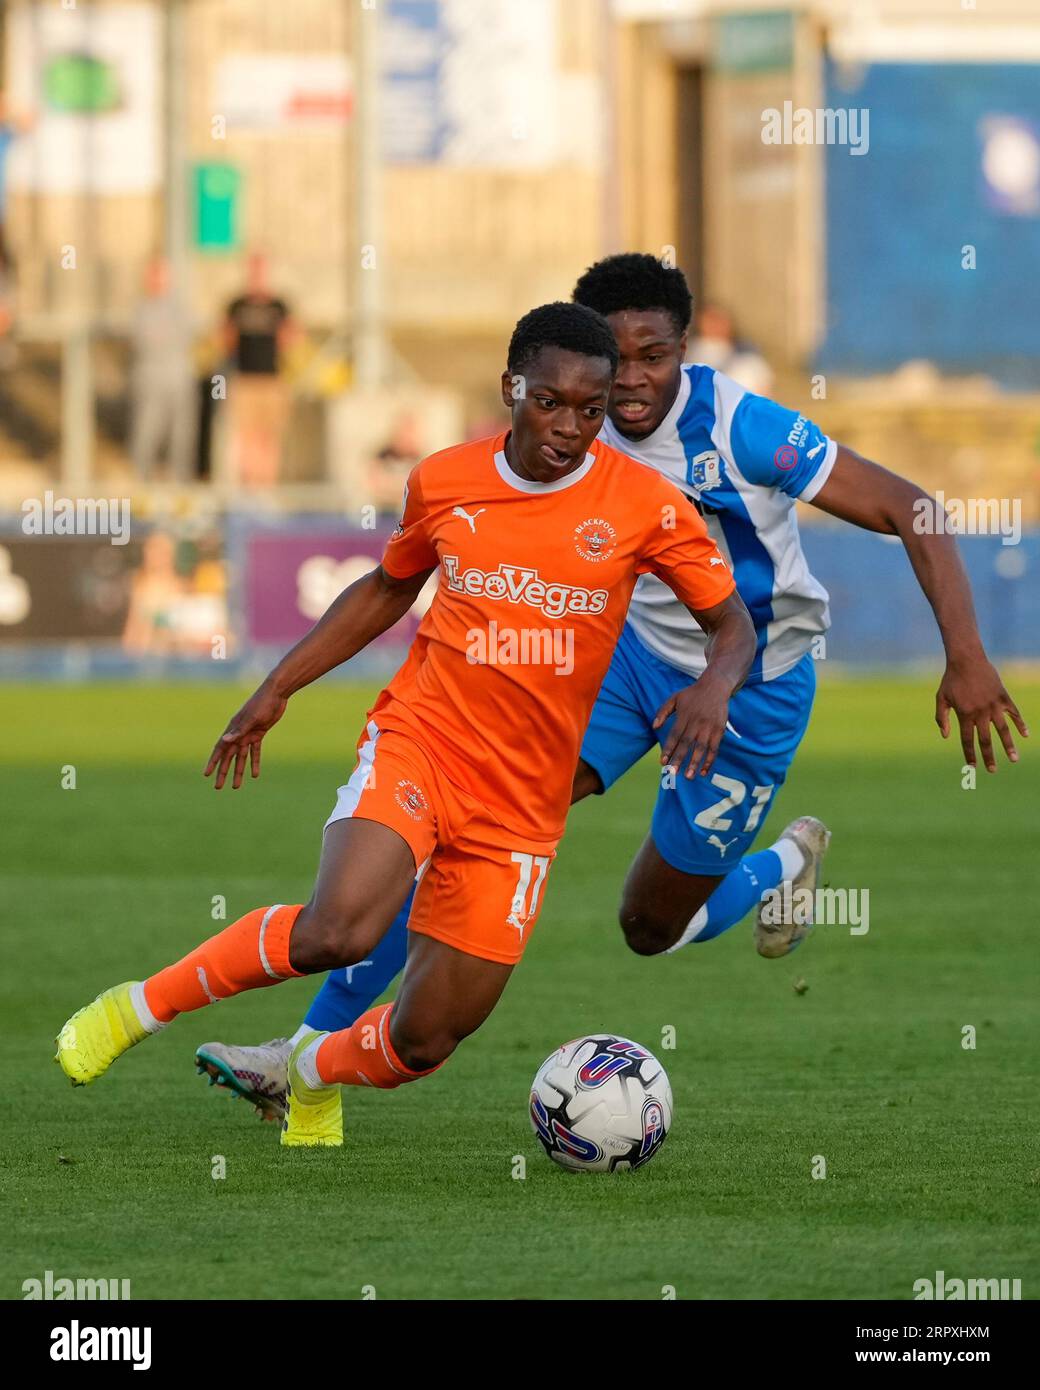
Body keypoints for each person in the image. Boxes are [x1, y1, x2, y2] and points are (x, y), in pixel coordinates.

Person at [195, 254, 1028, 1127]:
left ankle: (786, 863)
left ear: (684, 349)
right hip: (625, 666)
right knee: (460, 822)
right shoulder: (568, 417)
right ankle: (298, 1057)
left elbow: (912, 507)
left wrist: (965, 655)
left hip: (755, 690)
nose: (632, 382)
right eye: (615, 361)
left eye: (655, 355)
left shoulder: (743, 429)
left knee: (648, 927)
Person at [55, 301, 755, 1149]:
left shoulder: (644, 503)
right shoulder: (445, 480)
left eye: (591, 410)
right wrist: (279, 687)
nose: (570, 427)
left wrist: (716, 686)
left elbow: (733, 626)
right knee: (337, 929)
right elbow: (389, 587)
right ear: (512, 387)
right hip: (422, 743)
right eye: (550, 403)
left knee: (428, 1036)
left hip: (523, 805)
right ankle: (136, 1008)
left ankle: (309, 1074)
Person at [223, 252, 296, 487]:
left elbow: (292, 336)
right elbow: (225, 338)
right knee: (246, 436)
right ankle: (248, 486)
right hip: (245, 379)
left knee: (269, 437)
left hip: (272, 380)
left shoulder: (279, 306)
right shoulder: (236, 305)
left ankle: (266, 484)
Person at [129, 257, 197, 482]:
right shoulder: (141, 308)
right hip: (150, 380)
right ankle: (142, 481)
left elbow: (184, 338)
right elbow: (145, 342)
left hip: (178, 380)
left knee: (181, 434)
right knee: (147, 431)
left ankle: (180, 483)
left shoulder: (180, 307)